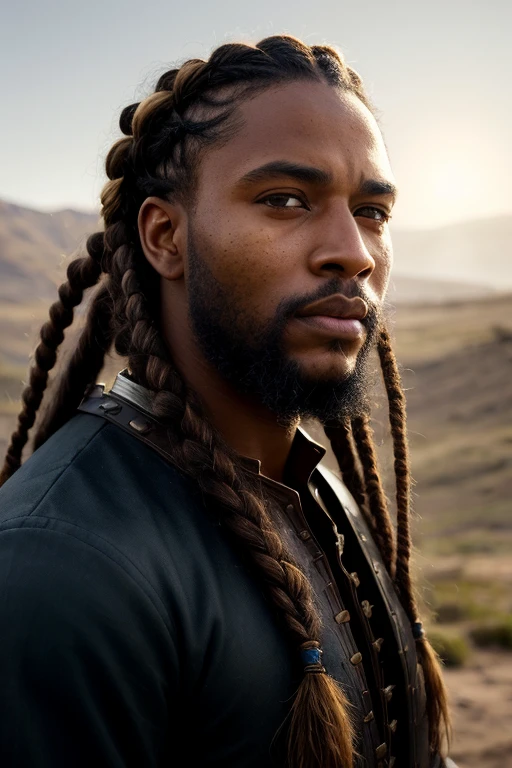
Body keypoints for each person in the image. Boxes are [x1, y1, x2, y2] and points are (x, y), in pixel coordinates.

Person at [0, 35, 452, 768]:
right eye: (285, 200)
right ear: (165, 237)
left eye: (372, 211)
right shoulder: (62, 570)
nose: (354, 251)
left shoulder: (314, 485)